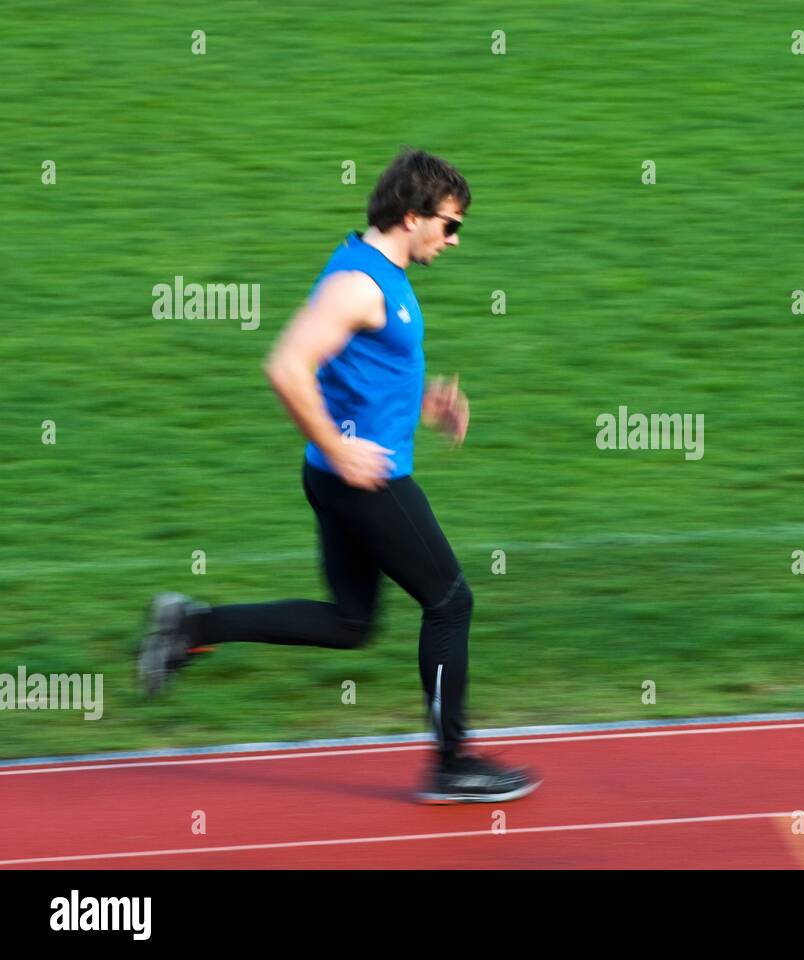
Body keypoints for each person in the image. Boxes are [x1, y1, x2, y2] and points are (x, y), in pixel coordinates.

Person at [137, 148, 539, 805]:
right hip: (361, 481)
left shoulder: (380, 269)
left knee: (350, 624)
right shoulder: (358, 284)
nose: (455, 239)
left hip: (337, 474)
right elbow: (286, 366)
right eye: (450, 224)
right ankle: (452, 764)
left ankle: (192, 628)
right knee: (450, 600)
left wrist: (423, 403)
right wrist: (340, 446)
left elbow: (353, 372)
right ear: (412, 216)